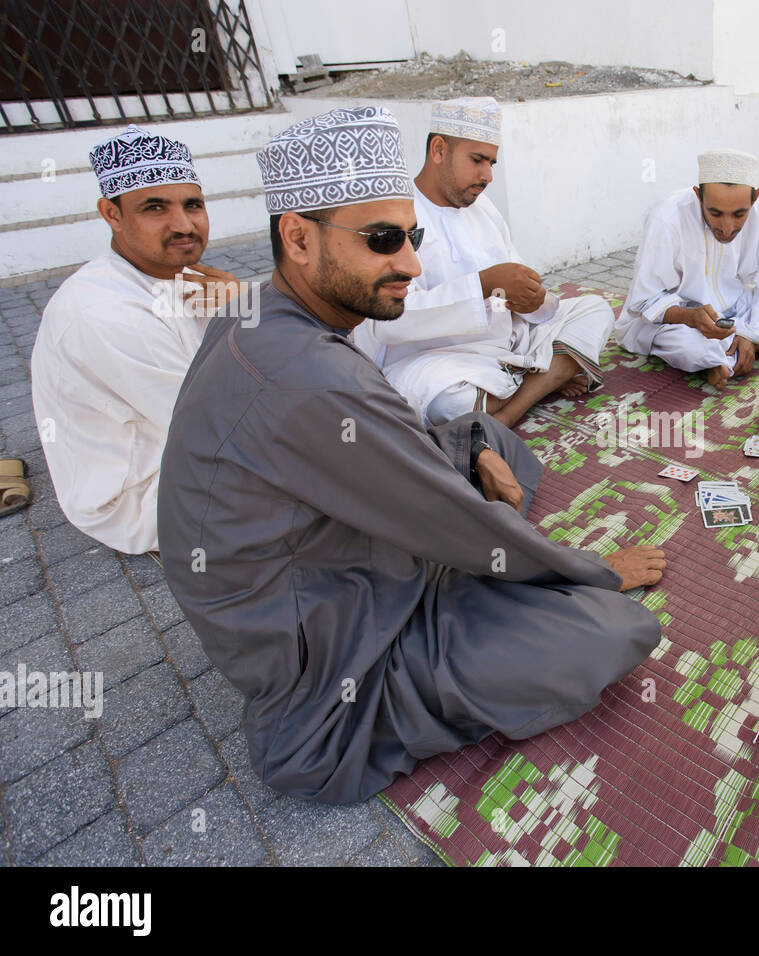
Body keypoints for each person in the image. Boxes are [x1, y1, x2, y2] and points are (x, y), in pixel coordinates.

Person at [158, 107, 665, 805]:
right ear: (298, 238)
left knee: (494, 443)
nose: (412, 263)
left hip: (334, 549)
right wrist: (594, 574)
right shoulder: (314, 376)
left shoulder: (260, 310)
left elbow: (387, 456)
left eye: (413, 236)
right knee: (614, 630)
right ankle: (399, 697)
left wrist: (468, 461)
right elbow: (454, 523)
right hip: (334, 642)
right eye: (383, 240)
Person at [30, 124, 239, 554]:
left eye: (193, 204)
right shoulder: (104, 312)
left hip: (187, 438)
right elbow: (227, 428)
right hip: (140, 498)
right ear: (112, 214)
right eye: (155, 208)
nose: (183, 225)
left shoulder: (180, 277)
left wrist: (243, 310)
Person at [352, 97, 614, 428]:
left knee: (594, 310)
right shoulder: (396, 217)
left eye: (491, 163)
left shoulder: (484, 208)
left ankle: (506, 408)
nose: (487, 175)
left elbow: (518, 281)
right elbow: (392, 320)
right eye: (477, 160)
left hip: (509, 342)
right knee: (443, 399)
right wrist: (482, 285)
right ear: (438, 150)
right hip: (439, 360)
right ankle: (547, 377)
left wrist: (534, 300)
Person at [616, 148, 759, 388]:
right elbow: (643, 300)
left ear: (755, 197)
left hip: (735, 312)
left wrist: (750, 334)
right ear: (699, 196)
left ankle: (738, 351)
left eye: (739, 214)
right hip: (679, 321)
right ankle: (729, 354)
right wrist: (689, 317)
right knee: (691, 348)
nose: (727, 228)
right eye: (715, 213)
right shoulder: (666, 217)